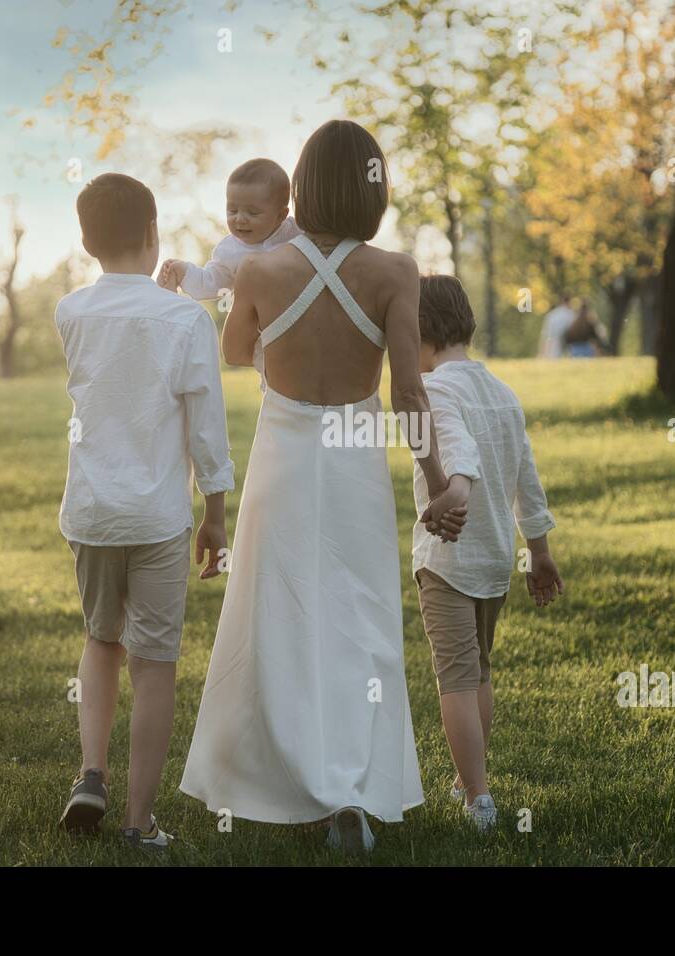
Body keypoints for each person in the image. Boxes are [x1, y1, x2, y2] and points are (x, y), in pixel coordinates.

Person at [179, 120, 466, 853]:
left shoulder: (259, 272)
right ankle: (353, 789)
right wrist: (437, 483)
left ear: (299, 190)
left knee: (277, 611)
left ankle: (294, 783)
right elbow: (409, 392)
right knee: (359, 617)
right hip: (355, 454)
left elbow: (237, 350)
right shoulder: (396, 271)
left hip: (285, 448)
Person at [54, 173, 235, 854]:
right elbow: (206, 427)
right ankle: (139, 819)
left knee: (102, 641)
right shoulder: (187, 318)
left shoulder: (70, 311)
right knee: (154, 662)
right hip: (159, 516)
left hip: (92, 512)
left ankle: (91, 772)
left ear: (85, 241)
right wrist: (214, 514)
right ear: (154, 232)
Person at [412, 275, 563, 832]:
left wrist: (456, 489)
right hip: (497, 560)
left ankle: (478, 798)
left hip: (448, 560)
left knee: (454, 678)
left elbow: (458, 449)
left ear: (416, 334)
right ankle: (465, 782)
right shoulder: (502, 392)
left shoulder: (436, 391)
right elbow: (529, 479)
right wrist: (539, 552)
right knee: (478, 672)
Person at [159, 158, 301, 388]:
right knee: (278, 385)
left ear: (281, 215)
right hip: (267, 337)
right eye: (232, 210)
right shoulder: (230, 251)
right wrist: (183, 271)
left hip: (307, 321)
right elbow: (210, 282)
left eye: (253, 213)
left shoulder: (297, 231)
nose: (239, 219)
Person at [537, 293, 576, 358]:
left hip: (554, 345)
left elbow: (546, 336)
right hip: (569, 345)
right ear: (569, 302)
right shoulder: (572, 315)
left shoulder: (552, 315)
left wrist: (542, 353)